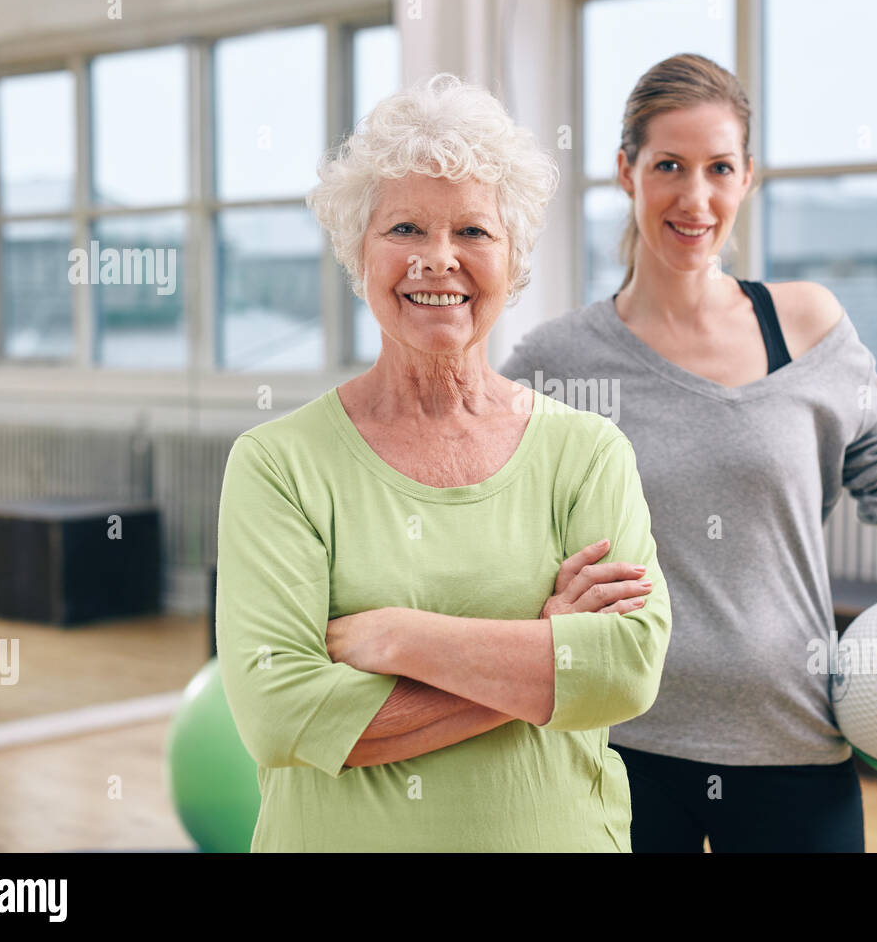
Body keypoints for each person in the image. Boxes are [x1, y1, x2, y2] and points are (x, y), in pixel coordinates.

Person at [499, 53, 877, 853]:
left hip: (794, 739)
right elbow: (486, 504)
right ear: (626, 172)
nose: (696, 198)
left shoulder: (810, 328)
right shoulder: (560, 360)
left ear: (748, 177)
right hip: (617, 751)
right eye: (669, 167)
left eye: (719, 168)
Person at [214, 72, 672, 852]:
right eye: (404, 230)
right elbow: (282, 716)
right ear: (359, 252)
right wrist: (543, 649)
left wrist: (400, 639)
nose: (437, 260)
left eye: (473, 232)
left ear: (514, 257)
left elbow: (624, 670)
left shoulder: (586, 453)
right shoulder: (278, 465)